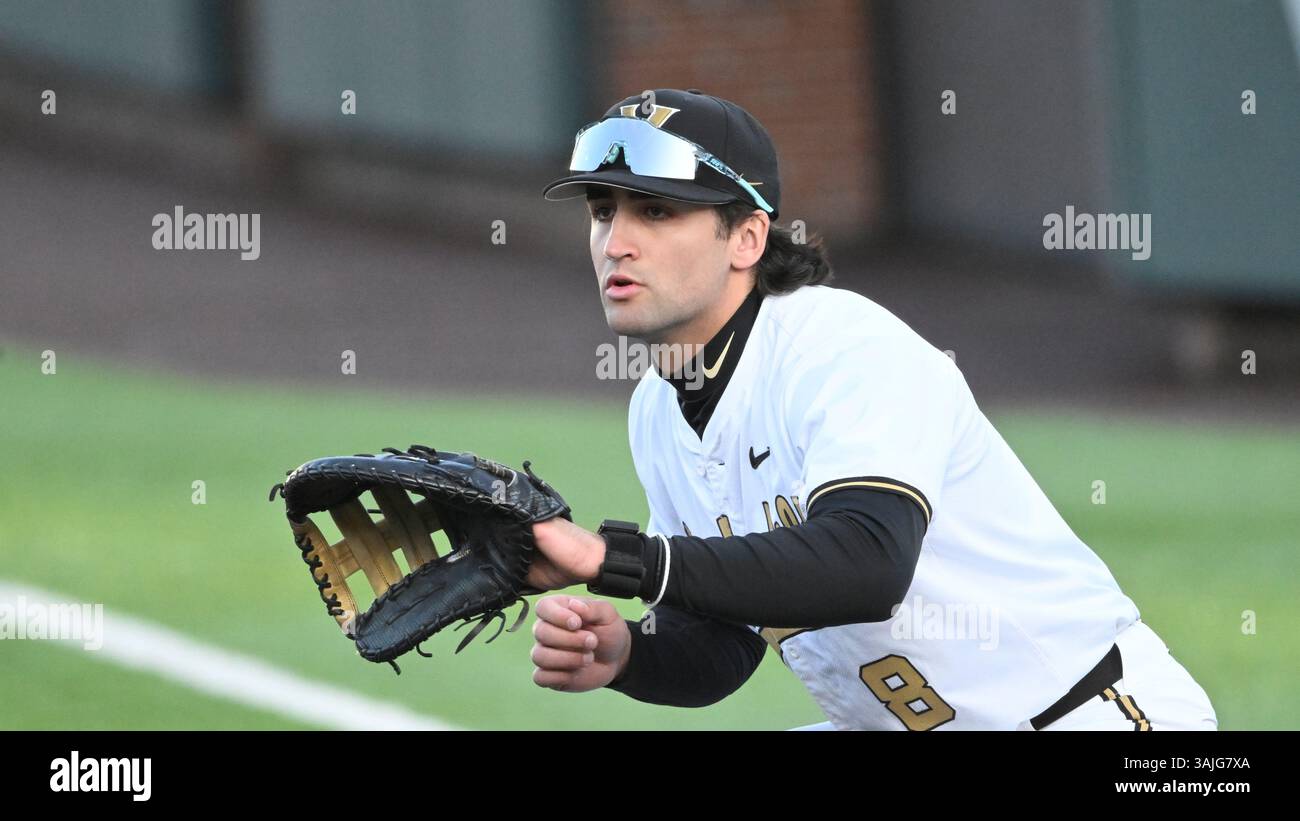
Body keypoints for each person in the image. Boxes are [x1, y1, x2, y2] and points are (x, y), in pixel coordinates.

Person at [527, 87, 1217, 730]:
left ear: (747, 237)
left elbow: (867, 561)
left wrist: (615, 557)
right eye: (601, 211)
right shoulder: (657, 409)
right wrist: (628, 654)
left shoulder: (840, 347)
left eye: (656, 211)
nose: (616, 240)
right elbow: (720, 635)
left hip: (1085, 714)